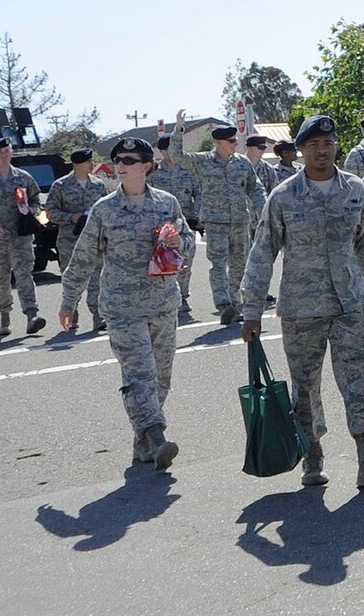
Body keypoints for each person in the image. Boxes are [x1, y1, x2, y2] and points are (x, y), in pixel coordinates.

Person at [240, 116, 364, 488]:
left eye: (327, 143)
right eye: (313, 145)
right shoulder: (283, 197)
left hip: (350, 305)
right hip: (301, 309)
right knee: (305, 387)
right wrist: (251, 310)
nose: (321, 150)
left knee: (359, 379)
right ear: (301, 150)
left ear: (336, 146)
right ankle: (312, 457)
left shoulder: (355, 189)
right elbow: (262, 253)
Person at [59, 137, 189, 470]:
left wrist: (178, 239)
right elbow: (84, 257)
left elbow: (187, 240)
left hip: (162, 303)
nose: (121, 165)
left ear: (146, 166)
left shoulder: (167, 203)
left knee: (161, 378)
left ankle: (142, 442)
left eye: (129, 160)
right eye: (117, 159)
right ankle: (158, 436)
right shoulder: (104, 210)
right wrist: (69, 300)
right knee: (140, 375)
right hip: (122, 308)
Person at [171, 115, 266, 325]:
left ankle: (234, 301)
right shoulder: (203, 161)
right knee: (218, 264)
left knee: (240, 263)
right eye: (232, 141)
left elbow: (255, 187)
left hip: (241, 221)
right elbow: (176, 156)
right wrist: (179, 129)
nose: (236, 144)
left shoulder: (242, 163)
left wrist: (263, 208)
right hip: (216, 223)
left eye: (235, 140)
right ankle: (224, 305)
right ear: (219, 143)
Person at [0, 138, 46, 337]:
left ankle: (32, 315)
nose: (4, 154)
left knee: (24, 274)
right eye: (0, 152)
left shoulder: (23, 177)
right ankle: (5, 316)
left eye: (7, 150)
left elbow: (36, 199)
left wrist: (33, 211)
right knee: (0, 279)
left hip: (20, 236)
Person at [48, 149, 112, 332]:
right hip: (70, 241)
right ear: (77, 164)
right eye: (88, 162)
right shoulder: (60, 186)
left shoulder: (99, 185)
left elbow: (108, 208)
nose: (92, 165)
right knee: (71, 278)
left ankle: (99, 316)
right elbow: (50, 212)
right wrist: (71, 217)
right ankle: (71, 314)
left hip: (95, 240)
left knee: (97, 277)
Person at [150, 131, 200, 314]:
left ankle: (183, 297)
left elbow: (198, 192)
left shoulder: (188, 169)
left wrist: (199, 215)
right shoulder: (154, 173)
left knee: (186, 263)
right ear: (162, 151)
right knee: (163, 263)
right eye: (169, 149)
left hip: (186, 224)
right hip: (161, 228)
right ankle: (165, 298)